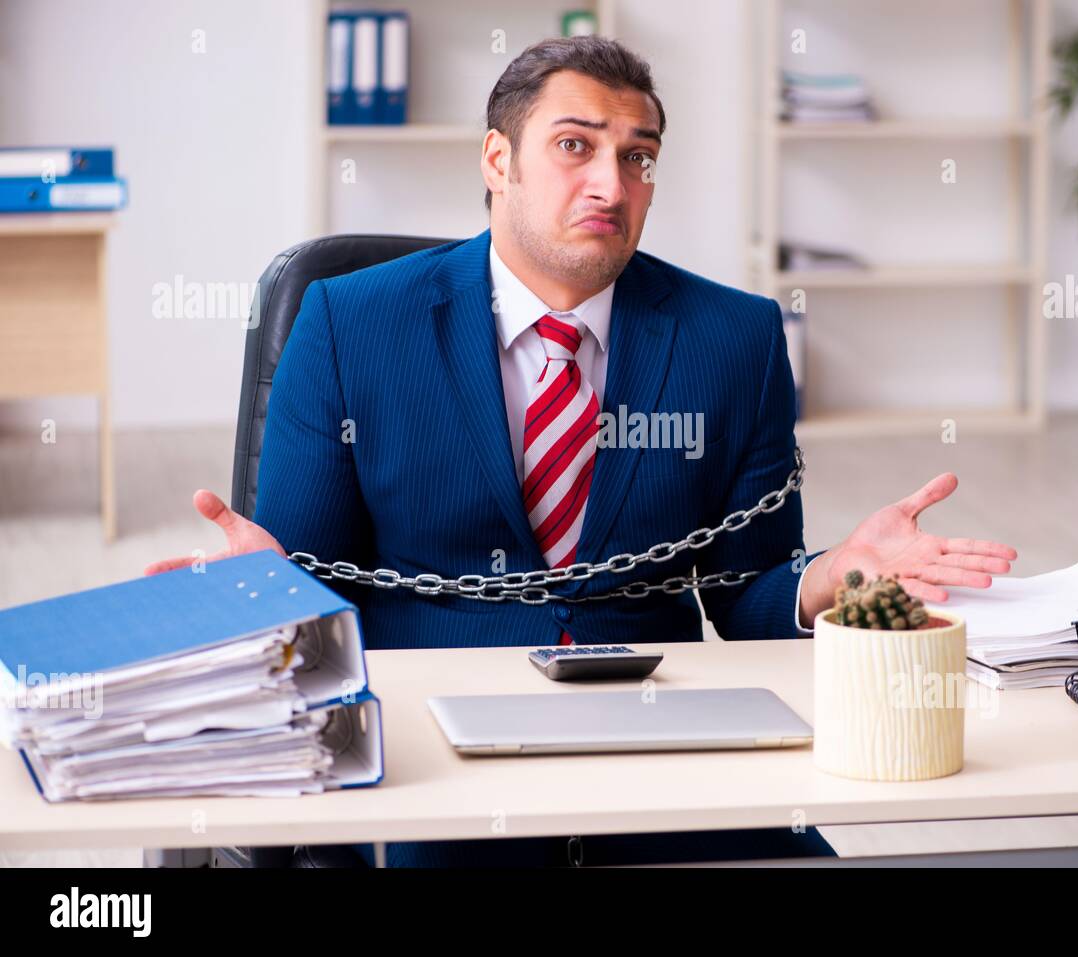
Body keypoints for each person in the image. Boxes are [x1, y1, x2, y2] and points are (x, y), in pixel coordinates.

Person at [147, 36, 1016, 866]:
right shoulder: (349, 325)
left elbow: (743, 593)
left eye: (638, 158)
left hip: (664, 747)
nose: (612, 182)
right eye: (575, 146)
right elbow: (314, 592)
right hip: (438, 760)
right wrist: (262, 591)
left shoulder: (736, 339)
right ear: (498, 161)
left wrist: (825, 581)